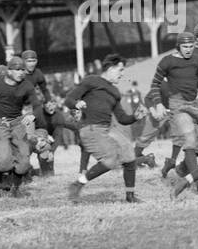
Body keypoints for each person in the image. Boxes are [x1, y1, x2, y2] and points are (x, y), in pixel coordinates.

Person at [64, 54, 152, 203]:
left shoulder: (115, 92)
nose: (123, 73)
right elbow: (69, 99)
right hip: (90, 128)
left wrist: (135, 116)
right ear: (111, 69)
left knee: (129, 155)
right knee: (110, 160)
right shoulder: (91, 80)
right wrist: (76, 104)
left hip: (108, 129)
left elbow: (123, 119)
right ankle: (78, 183)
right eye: (120, 70)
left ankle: (130, 196)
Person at [145, 32, 198, 181]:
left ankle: (177, 169)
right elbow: (155, 84)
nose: (188, 49)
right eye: (185, 46)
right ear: (178, 46)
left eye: (191, 46)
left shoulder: (197, 60)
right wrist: (159, 104)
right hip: (177, 103)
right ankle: (196, 179)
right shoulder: (167, 61)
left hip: (194, 103)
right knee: (190, 139)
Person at [0, 55, 44, 197]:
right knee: (4, 162)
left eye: (23, 70)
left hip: (18, 123)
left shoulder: (26, 85)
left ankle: (15, 189)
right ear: (9, 71)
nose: (21, 73)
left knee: (24, 162)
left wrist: (33, 115)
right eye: (18, 70)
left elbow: (37, 104)